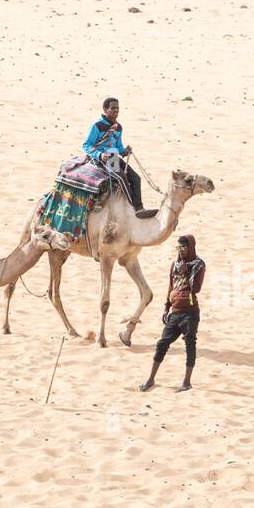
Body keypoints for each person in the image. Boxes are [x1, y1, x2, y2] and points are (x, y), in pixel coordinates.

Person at [139, 234, 206, 392]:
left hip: (190, 313)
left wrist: (186, 272)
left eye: (184, 248)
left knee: (190, 344)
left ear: (190, 248)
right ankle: (150, 379)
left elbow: (196, 288)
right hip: (175, 312)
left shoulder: (198, 265)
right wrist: (166, 307)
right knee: (162, 344)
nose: (181, 251)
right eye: (179, 248)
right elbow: (171, 286)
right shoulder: (174, 264)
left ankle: (186, 382)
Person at [83, 98, 157, 218]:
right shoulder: (97, 126)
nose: (116, 110)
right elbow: (86, 145)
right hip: (101, 159)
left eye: (117, 108)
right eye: (113, 108)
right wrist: (100, 155)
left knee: (135, 178)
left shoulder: (118, 127)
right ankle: (133, 207)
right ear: (105, 109)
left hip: (113, 157)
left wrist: (124, 151)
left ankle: (139, 207)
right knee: (121, 177)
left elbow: (118, 146)